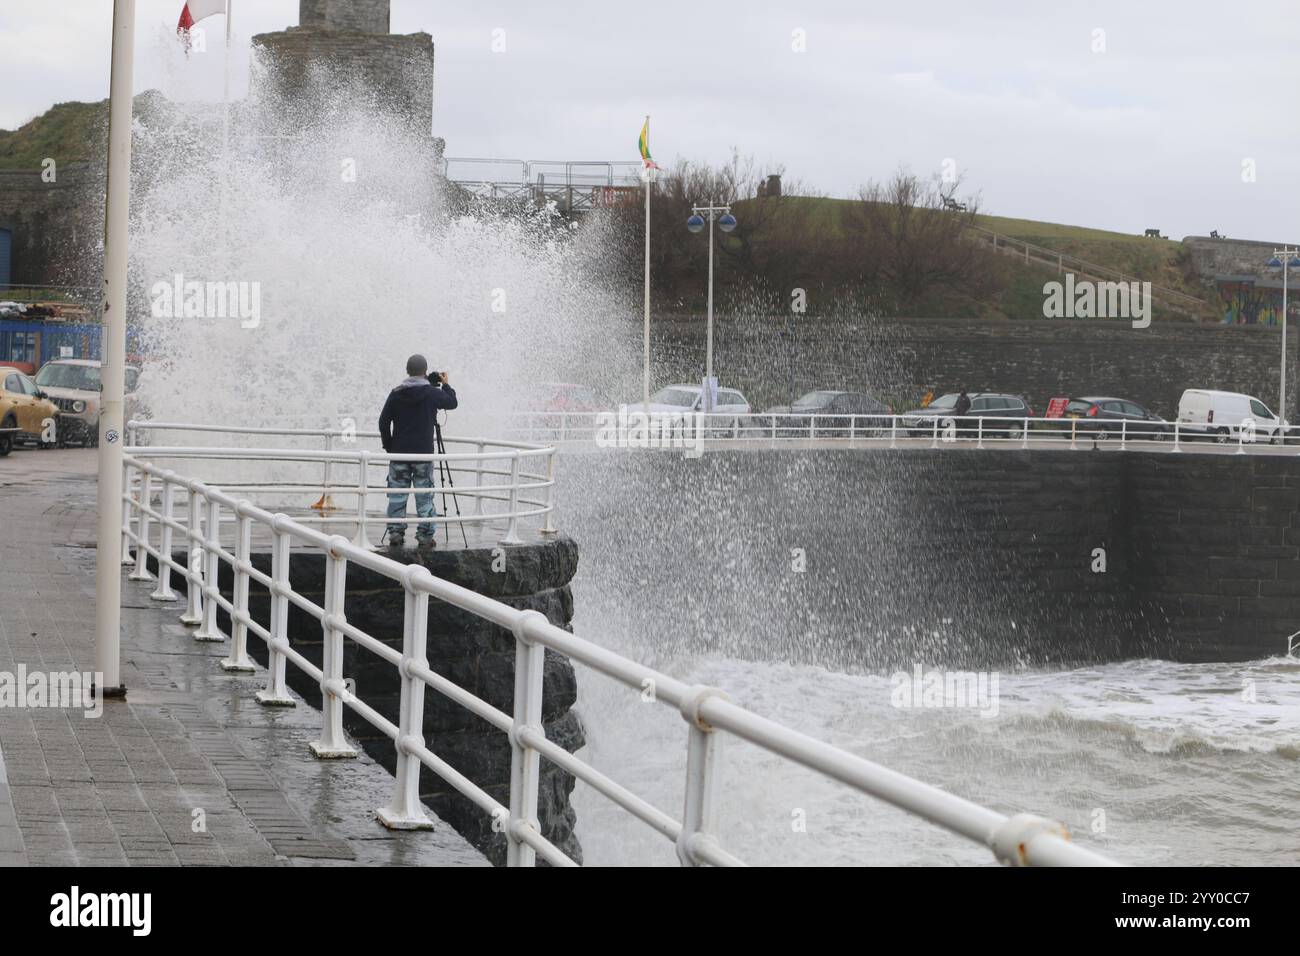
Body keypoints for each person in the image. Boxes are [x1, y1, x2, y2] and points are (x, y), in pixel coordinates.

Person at [378, 354, 458, 547]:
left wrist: (389, 446)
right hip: (423, 454)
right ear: (424, 371)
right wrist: (445, 384)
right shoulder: (432, 393)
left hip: (399, 454)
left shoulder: (396, 393)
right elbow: (452, 403)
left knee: (397, 495)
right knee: (425, 496)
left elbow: (383, 422)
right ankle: (425, 537)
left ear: (407, 370)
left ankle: (396, 535)